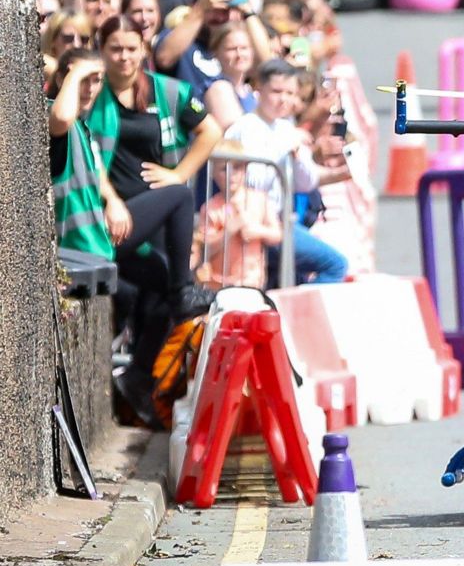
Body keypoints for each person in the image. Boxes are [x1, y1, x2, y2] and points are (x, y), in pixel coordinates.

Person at [81, 21, 221, 425]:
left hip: (148, 218)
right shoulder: (93, 94)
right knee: (179, 199)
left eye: (130, 48)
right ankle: (184, 292)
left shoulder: (167, 91)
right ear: (102, 50)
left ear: (143, 49)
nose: (123, 56)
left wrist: (180, 172)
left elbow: (210, 130)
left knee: (158, 280)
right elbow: (87, 154)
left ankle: (140, 377)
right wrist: (111, 202)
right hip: (108, 220)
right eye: (114, 49)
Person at [217, 60, 354, 286]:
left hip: (279, 219)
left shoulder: (285, 127)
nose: (283, 99)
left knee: (330, 264)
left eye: (290, 93)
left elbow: (305, 181)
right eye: (276, 91)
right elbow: (252, 179)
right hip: (254, 221)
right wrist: (285, 146)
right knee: (335, 264)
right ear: (259, 89)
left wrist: (301, 158)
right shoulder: (245, 128)